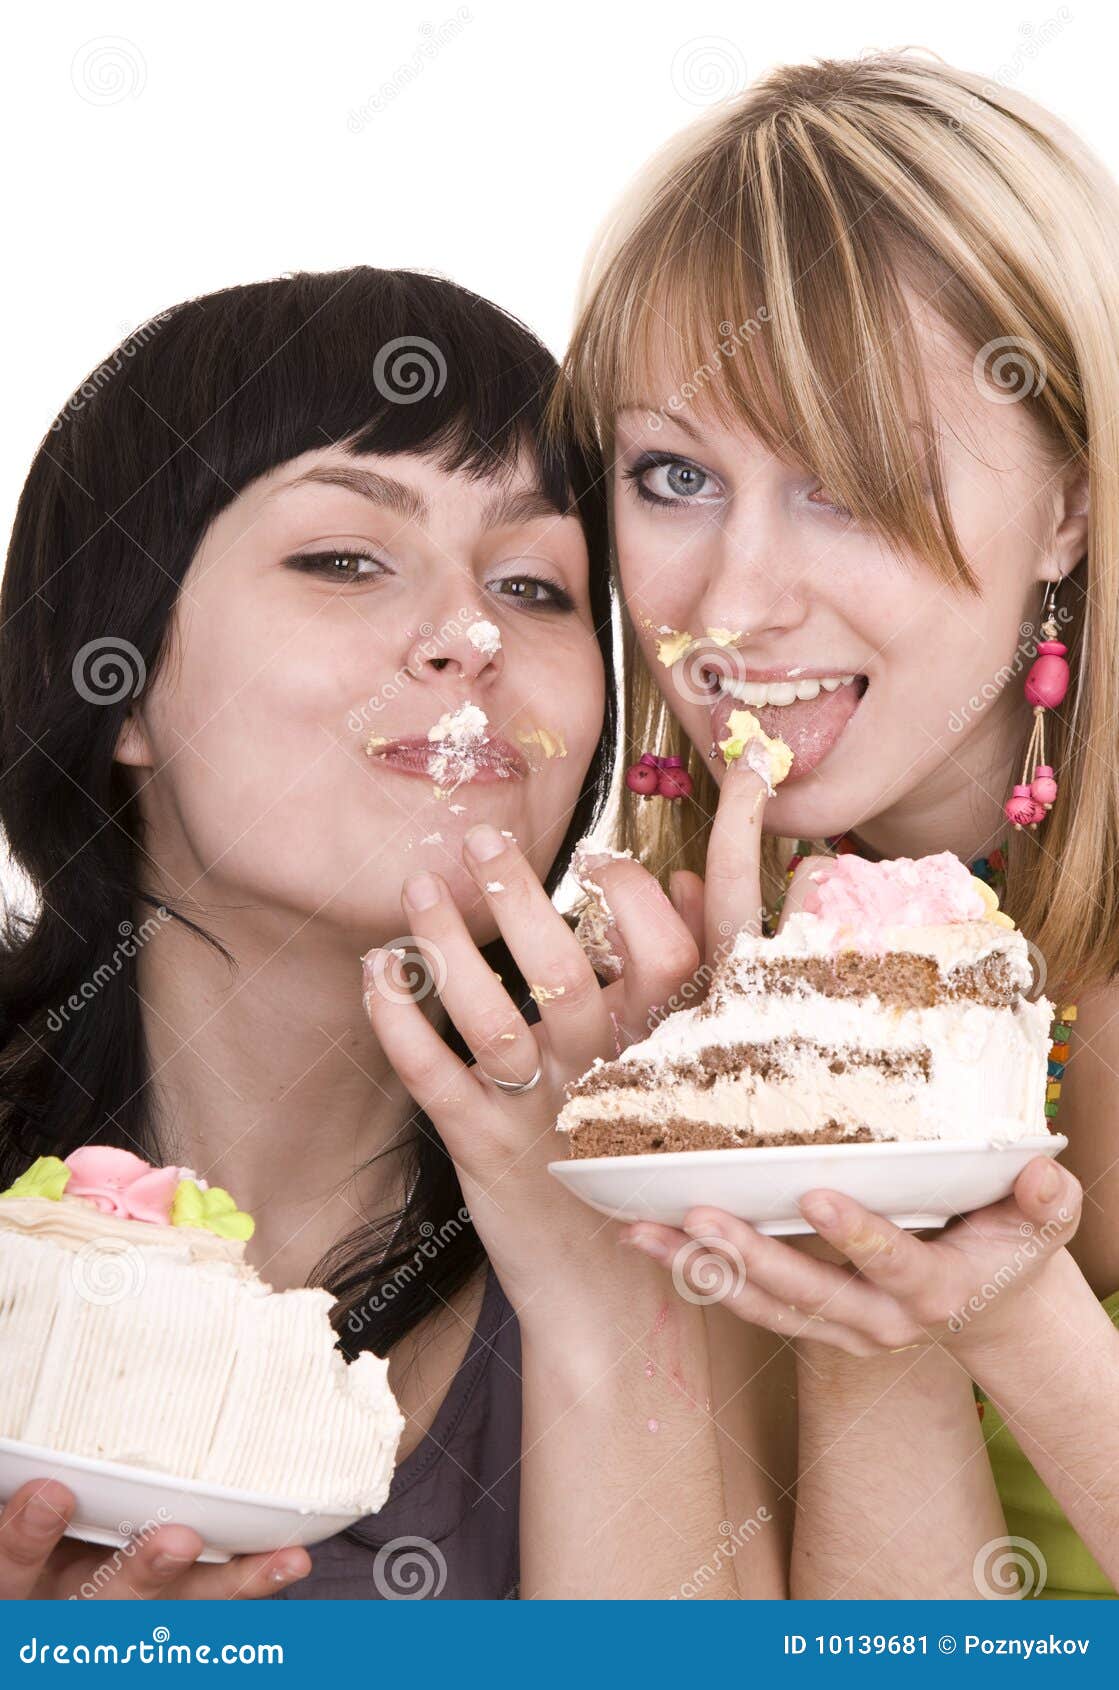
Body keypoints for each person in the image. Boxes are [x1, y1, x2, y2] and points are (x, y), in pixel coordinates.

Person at [0, 268, 755, 1599]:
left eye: (532, 585)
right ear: (113, 681)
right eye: (344, 558)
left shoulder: (693, 1221)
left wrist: (589, 1267)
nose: (468, 634)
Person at [556, 49, 1119, 1598]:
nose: (731, 604)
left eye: (849, 483)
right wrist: (836, 1161)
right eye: (673, 473)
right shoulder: (668, 993)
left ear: (1069, 502)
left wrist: (1014, 1309)